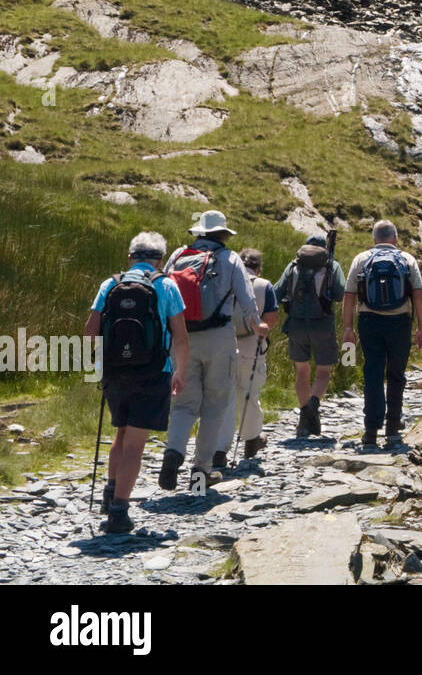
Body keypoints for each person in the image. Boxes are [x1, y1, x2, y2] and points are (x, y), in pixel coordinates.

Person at [84, 232, 189, 534]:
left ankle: (110, 491)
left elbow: (90, 332)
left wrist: (101, 363)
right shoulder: (166, 285)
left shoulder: (110, 284)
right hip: (153, 373)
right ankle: (119, 512)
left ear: (130, 256)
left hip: (115, 373)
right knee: (135, 444)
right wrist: (180, 371)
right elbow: (180, 336)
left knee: (121, 433)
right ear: (160, 259)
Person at [159, 210, 256, 490]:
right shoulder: (230, 258)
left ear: (199, 232)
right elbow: (247, 299)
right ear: (224, 234)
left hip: (182, 339)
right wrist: (257, 324)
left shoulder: (179, 255)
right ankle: (199, 476)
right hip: (219, 338)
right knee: (214, 407)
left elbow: (164, 288)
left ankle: (173, 452)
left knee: (184, 404)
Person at [341, 220, 422, 448]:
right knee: (396, 375)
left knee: (373, 373)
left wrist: (348, 329)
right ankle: (392, 430)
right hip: (400, 323)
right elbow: (418, 294)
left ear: (374, 240)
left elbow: (349, 296)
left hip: (369, 322)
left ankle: (370, 431)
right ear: (395, 239)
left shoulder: (361, 259)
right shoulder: (407, 260)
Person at [274, 233, 346, 439]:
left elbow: (276, 293)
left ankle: (305, 417)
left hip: (296, 324)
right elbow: (340, 295)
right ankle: (313, 404)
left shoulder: (293, 266)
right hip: (323, 324)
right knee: (323, 372)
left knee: (301, 372)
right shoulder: (332, 265)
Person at [215, 248, 278, 466]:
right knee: (249, 394)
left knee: (224, 397)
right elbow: (270, 319)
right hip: (252, 349)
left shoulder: (223, 281)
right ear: (258, 267)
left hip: (222, 346)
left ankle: (218, 451)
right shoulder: (264, 285)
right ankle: (252, 439)